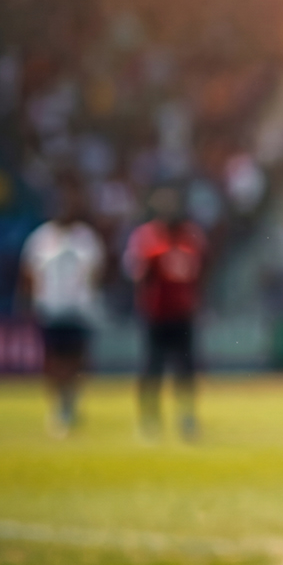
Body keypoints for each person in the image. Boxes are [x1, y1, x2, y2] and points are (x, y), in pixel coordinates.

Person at [17, 171, 105, 437]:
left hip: (77, 308)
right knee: (53, 360)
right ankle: (58, 406)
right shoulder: (40, 239)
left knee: (77, 359)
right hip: (51, 308)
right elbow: (29, 273)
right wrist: (29, 302)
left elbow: (96, 272)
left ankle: (72, 402)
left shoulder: (85, 239)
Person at [123, 187, 207, 440]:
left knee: (186, 370)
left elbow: (201, 271)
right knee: (152, 368)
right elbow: (139, 275)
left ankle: (187, 417)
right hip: (157, 314)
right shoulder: (148, 238)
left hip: (183, 314)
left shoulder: (190, 237)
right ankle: (149, 418)